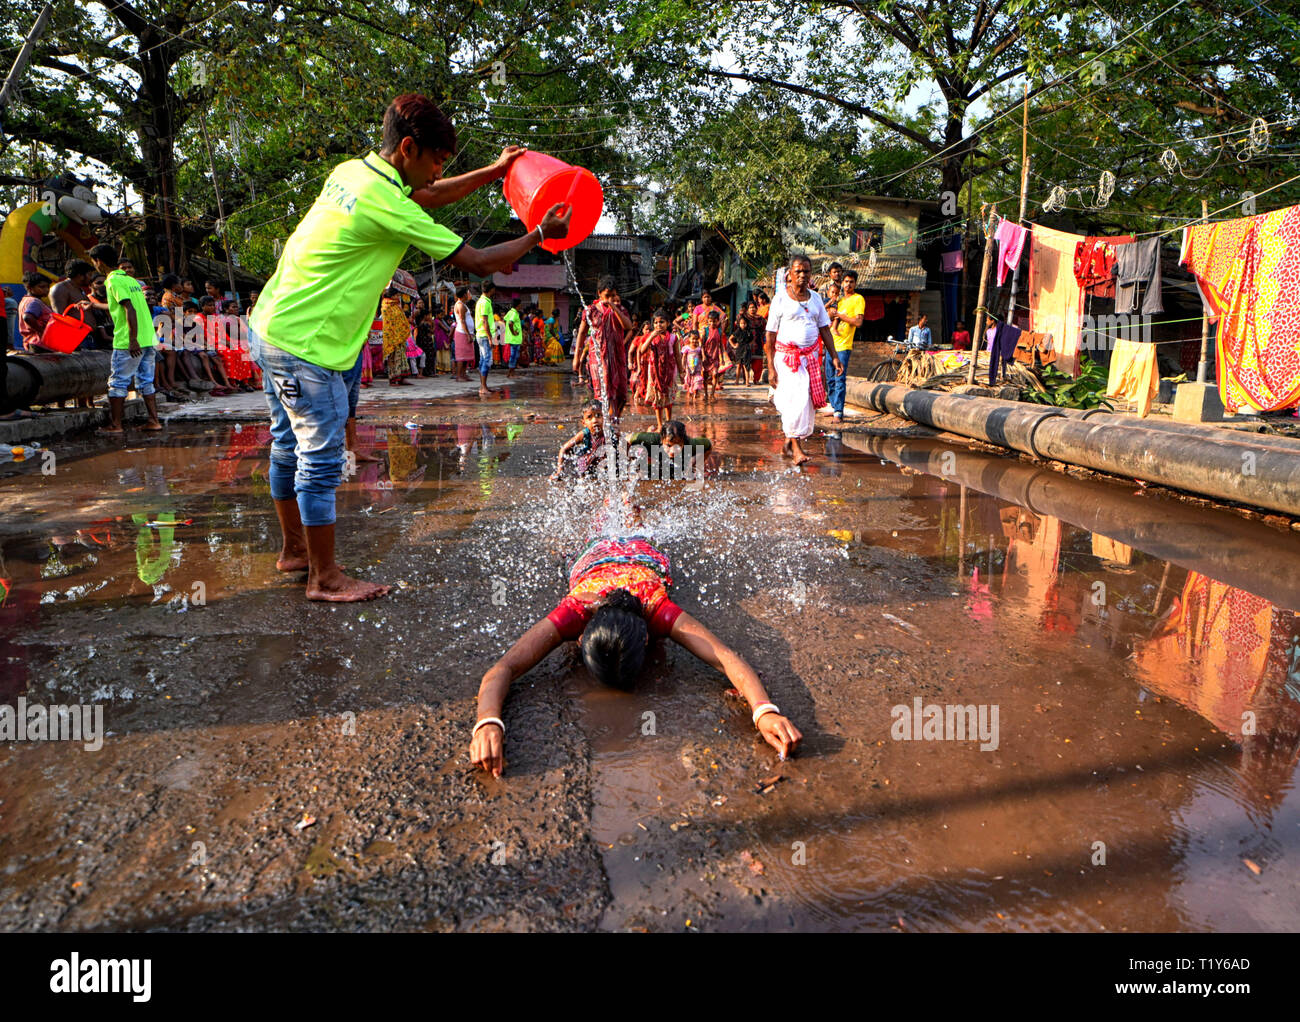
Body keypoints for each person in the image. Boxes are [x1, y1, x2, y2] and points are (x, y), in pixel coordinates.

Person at [247, 92, 571, 601]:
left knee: (287, 446)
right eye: (436, 161)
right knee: (319, 459)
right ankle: (325, 578)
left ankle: (295, 552)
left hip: (271, 326)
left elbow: (428, 196)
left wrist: (495, 171)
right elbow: (482, 262)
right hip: (309, 346)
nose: (438, 173)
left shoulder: (355, 173)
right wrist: (537, 234)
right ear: (407, 148)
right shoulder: (389, 203)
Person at [469, 500, 802, 778]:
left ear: (646, 639)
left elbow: (725, 656)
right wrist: (487, 722)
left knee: (628, 513)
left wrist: (765, 712)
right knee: (611, 516)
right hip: (600, 552)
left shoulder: (656, 607)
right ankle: (617, 501)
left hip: (639, 553)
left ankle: (625, 502)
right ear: (582, 635)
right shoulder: (576, 609)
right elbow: (504, 668)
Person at [764, 254, 838, 466]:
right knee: (795, 401)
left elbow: (825, 329)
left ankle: (789, 441)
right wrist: (771, 367)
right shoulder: (780, 299)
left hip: (811, 358)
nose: (802, 275)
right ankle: (797, 449)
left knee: (806, 403)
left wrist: (834, 357)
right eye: (798, 271)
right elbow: (770, 335)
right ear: (790, 274)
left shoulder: (815, 298)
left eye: (806, 271)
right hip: (787, 359)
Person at [88, 243, 163, 434]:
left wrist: (132, 339)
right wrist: (95, 306)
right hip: (148, 338)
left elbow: (129, 308)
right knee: (146, 381)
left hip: (129, 340)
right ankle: (154, 421)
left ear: (99, 261)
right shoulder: (131, 281)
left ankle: (116, 424)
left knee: (118, 382)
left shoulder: (113, 281)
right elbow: (122, 307)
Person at [572, 275, 631, 426]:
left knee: (621, 394)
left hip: (617, 357)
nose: (609, 299)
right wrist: (577, 357)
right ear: (599, 294)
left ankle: (614, 420)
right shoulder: (591, 311)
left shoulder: (620, 309)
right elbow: (582, 333)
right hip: (598, 358)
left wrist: (613, 307)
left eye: (613, 295)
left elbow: (628, 326)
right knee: (604, 393)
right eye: (607, 296)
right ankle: (606, 424)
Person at [825, 269, 864, 423]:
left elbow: (859, 322)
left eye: (851, 282)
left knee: (839, 377)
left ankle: (839, 412)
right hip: (831, 345)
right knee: (830, 378)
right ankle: (834, 406)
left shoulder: (858, 299)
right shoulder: (839, 300)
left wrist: (841, 316)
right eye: (846, 281)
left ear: (855, 284)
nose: (848, 284)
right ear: (842, 283)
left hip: (843, 346)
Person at [550, 400, 605, 481]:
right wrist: (559, 472)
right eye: (589, 417)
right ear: (583, 423)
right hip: (586, 464)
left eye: (598, 415)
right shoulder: (584, 434)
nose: (595, 420)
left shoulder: (609, 433)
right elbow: (564, 449)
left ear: (605, 418)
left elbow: (623, 446)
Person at [381, 288, 413, 385]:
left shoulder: (396, 306)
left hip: (400, 336)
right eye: (397, 295)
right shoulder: (386, 306)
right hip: (392, 337)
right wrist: (395, 334)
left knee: (402, 356)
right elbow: (388, 323)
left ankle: (401, 377)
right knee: (393, 358)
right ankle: (393, 378)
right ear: (392, 296)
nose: (398, 297)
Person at [17, 273, 53, 352]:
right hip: (39, 343)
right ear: (30, 288)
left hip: (31, 342)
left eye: (48, 287)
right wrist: (43, 332)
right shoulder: (35, 302)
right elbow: (27, 317)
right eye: (42, 287)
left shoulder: (25, 300)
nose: (46, 289)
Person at [474, 281, 497, 397]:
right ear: (491, 289)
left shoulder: (481, 301)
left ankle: (483, 386)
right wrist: (489, 337)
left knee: (483, 360)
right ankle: (483, 387)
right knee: (487, 360)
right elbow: (484, 321)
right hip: (484, 335)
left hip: (482, 334)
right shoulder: (484, 302)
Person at [452, 285, 474, 381]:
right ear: (464, 294)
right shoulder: (460, 305)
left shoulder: (463, 304)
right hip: (462, 332)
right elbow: (462, 321)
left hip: (466, 332)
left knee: (466, 355)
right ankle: (459, 376)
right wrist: (468, 334)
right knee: (461, 356)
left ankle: (463, 374)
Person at [680, 330, 704, 404]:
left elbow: (701, 357)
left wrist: (702, 365)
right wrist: (682, 366)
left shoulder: (699, 348)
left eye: (696, 339)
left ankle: (695, 394)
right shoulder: (686, 348)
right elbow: (683, 357)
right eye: (693, 339)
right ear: (689, 339)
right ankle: (690, 393)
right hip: (688, 368)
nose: (694, 341)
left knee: (697, 380)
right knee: (689, 381)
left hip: (697, 368)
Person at [503, 296, 524, 377]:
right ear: (518, 305)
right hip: (515, 339)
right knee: (514, 356)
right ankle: (511, 373)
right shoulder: (514, 313)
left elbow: (505, 320)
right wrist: (513, 332)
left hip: (511, 338)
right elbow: (510, 323)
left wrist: (508, 331)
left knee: (513, 356)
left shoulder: (510, 312)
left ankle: (510, 373)